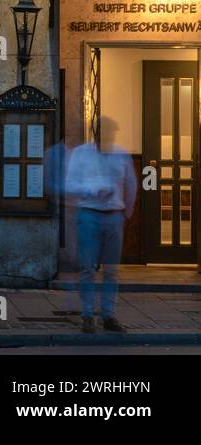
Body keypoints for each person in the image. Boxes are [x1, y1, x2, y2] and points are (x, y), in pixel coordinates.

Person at [65, 117, 136, 334]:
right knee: (87, 268)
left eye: (112, 133)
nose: (109, 136)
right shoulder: (81, 154)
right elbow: (69, 184)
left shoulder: (121, 154)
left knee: (111, 270)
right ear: (95, 133)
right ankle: (88, 315)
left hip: (114, 215)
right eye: (105, 132)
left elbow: (130, 182)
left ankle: (108, 315)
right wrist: (92, 191)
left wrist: (127, 211)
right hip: (89, 214)